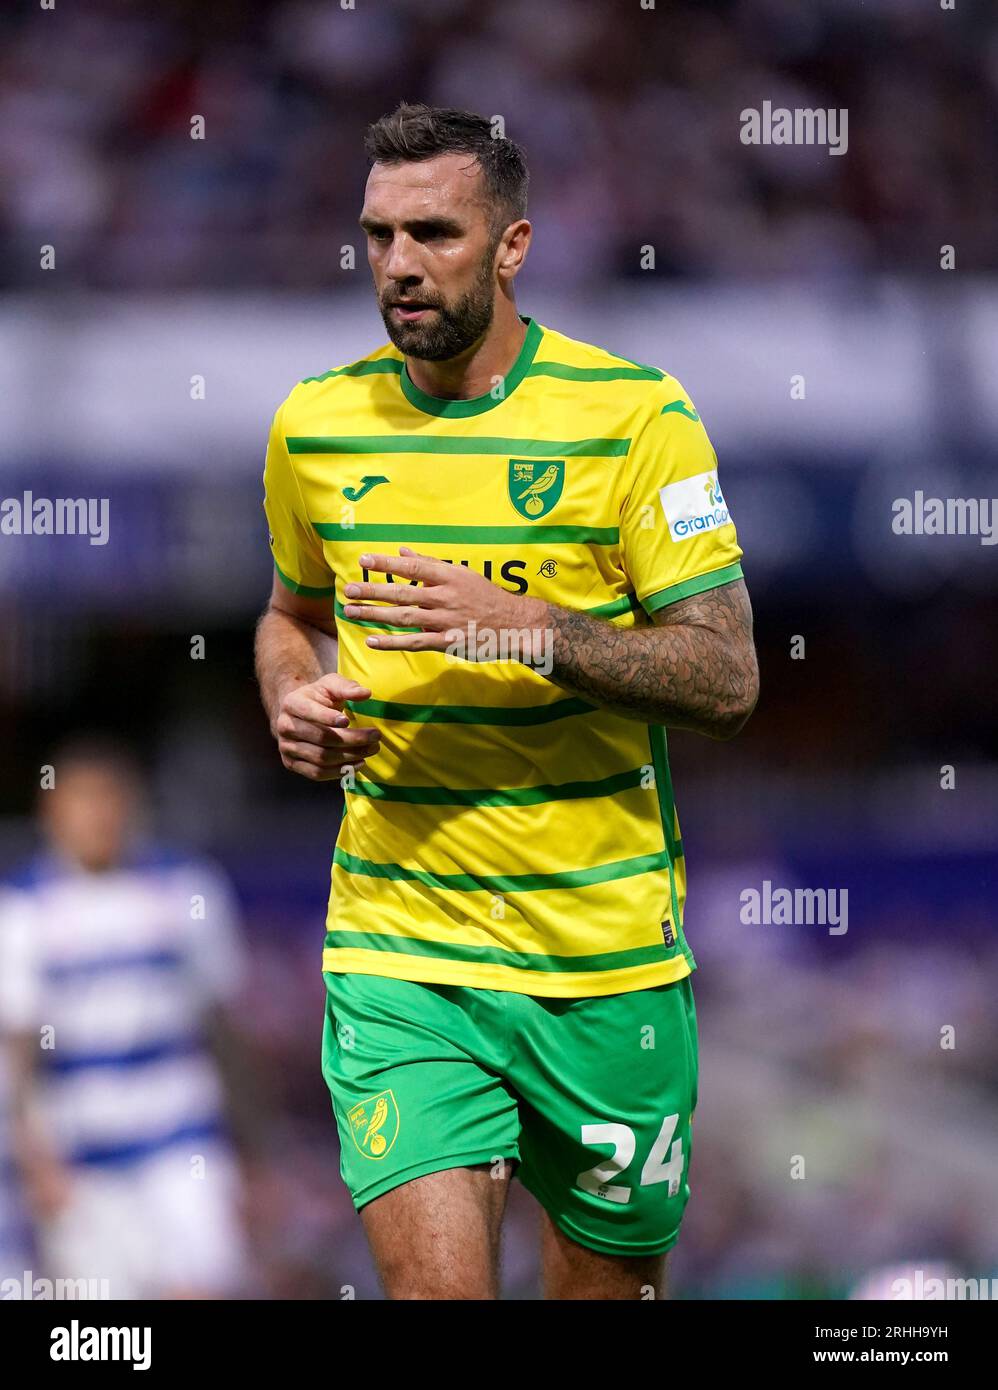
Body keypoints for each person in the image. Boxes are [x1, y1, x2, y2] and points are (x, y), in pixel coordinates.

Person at [255, 103, 759, 1300]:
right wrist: (293, 694)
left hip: (602, 973)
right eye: (377, 235)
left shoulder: (637, 418)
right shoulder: (313, 425)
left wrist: (532, 628)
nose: (398, 265)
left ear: (512, 245)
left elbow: (727, 678)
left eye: (432, 232)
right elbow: (289, 612)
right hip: (398, 948)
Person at [0, 738, 253, 1298]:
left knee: (205, 1286)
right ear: (52, 811)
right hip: (83, 1158)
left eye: (108, 799)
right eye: (81, 801)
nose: (97, 816)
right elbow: (17, 1051)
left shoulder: (186, 889)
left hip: (182, 1142)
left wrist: (255, 1146)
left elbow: (222, 1028)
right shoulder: (22, 911)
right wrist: (37, 1163)